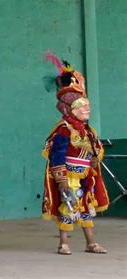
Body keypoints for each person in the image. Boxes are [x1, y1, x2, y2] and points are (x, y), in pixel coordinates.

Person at [42, 53, 109, 255]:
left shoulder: (87, 131)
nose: (87, 110)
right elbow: (57, 155)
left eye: (88, 106)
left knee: (86, 208)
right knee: (68, 208)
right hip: (69, 176)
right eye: (83, 107)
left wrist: (96, 158)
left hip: (85, 176)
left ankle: (90, 243)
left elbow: (95, 149)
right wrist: (61, 180)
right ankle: (63, 243)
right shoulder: (64, 130)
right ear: (71, 109)